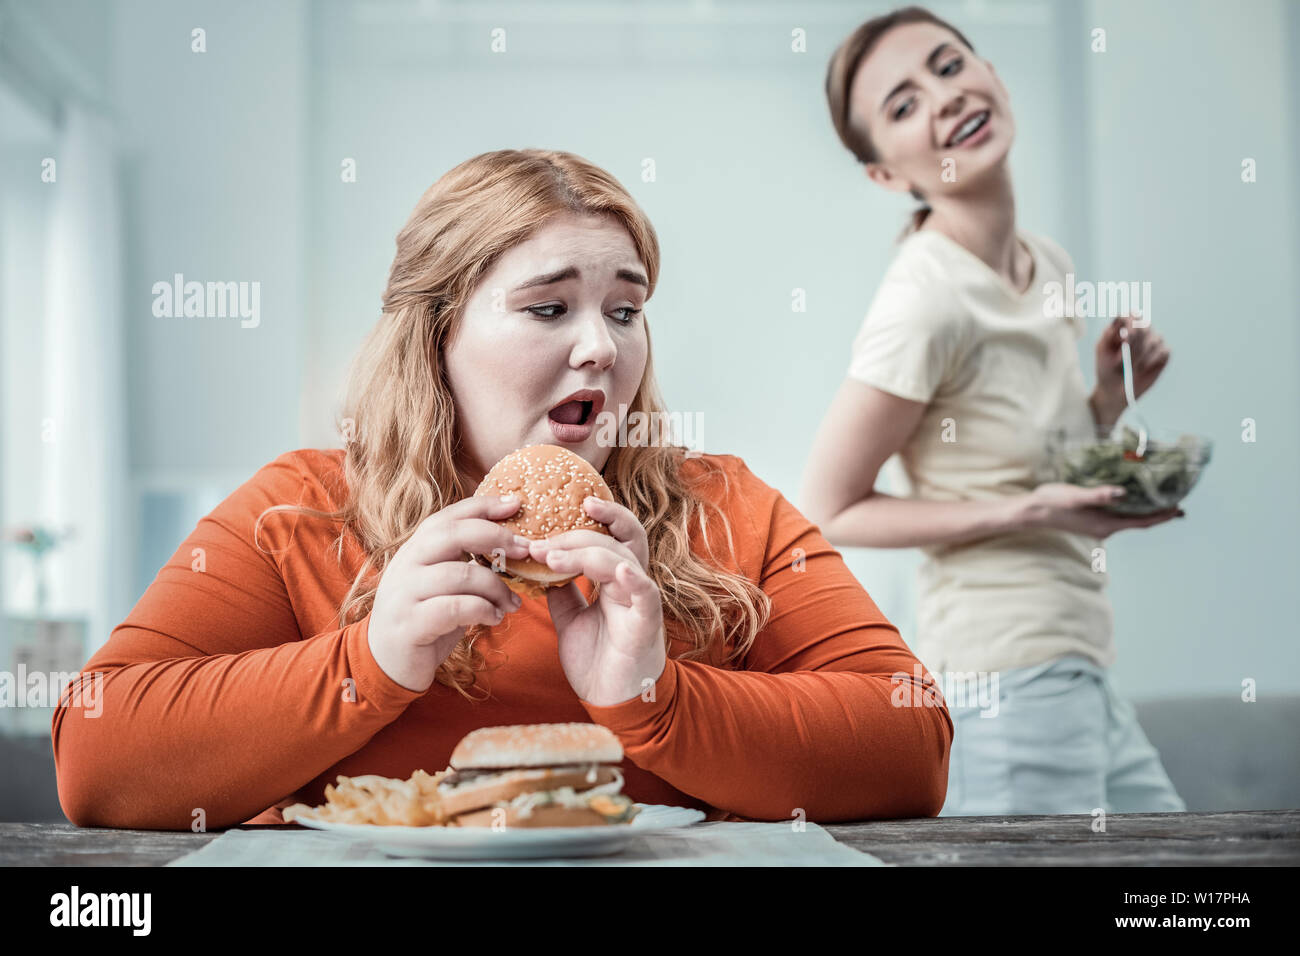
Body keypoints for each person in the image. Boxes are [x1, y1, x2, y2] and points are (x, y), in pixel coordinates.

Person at [52, 148, 952, 830]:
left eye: (626, 310)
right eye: (549, 307)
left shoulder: (726, 507)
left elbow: (911, 746)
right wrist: (368, 666)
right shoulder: (301, 509)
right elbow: (96, 759)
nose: (603, 347)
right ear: (436, 338)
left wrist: (656, 698)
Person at [805, 7, 1186, 815]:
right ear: (886, 175)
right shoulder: (923, 298)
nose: (942, 99)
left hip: (1077, 654)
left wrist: (1109, 403)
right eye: (903, 106)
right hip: (1003, 673)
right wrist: (1032, 510)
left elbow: (1048, 463)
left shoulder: (1046, 263)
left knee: (1186, 878)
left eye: (948, 67)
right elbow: (832, 506)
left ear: (993, 78)